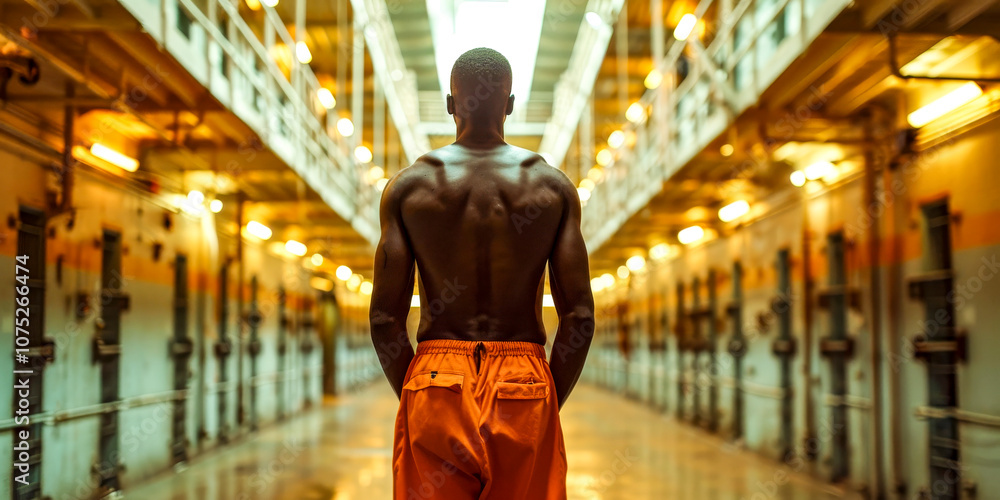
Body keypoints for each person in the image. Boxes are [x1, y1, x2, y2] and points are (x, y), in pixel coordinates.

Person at [369, 47, 595, 500]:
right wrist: (544, 400)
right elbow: (580, 316)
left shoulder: (409, 187)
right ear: (510, 104)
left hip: (435, 376)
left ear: (450, 103)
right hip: (524, 378)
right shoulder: (552, 187)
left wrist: (418, 393)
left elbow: (384, 319)